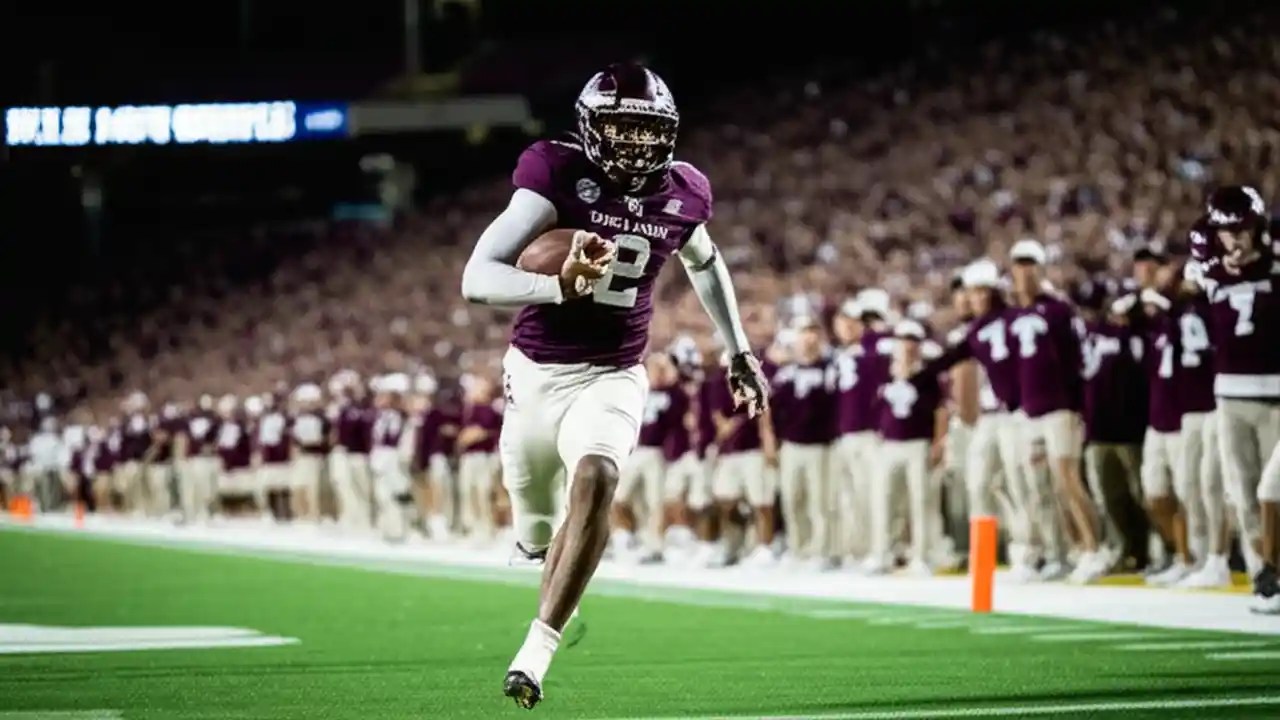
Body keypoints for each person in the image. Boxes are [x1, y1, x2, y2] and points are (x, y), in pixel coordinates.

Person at [460, 62, 768, 709]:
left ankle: (536, 651)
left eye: (647, 129)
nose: (635, 143)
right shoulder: (555, 175)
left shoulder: (684, 192)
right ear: (591, 127)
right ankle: (538, 551)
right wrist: (555, 285)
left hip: (615, 371)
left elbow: (705, 263)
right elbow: (477, 275)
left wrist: (738, 349)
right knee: (536, 523)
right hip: (536, 371)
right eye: (621, 128)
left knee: (598, 477)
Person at [1188, 186, 1280, 613]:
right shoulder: (1211, 271)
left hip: (1275, 394)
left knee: (1272, 492)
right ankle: (1265, 578)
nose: (1235, 240)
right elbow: (1197, 250)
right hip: (1229, 395)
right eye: (1227, 232)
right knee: (1243, 495)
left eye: (1242, 230)